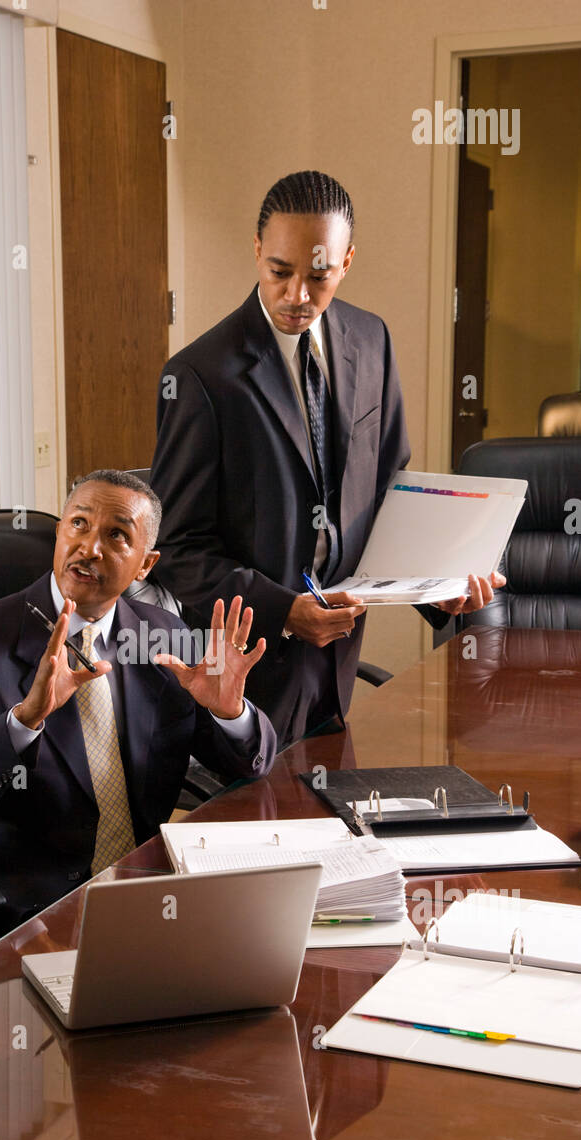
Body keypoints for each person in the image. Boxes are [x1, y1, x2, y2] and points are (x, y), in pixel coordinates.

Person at [150, 169, 504, 749]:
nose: (297, 296)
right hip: (246, 679)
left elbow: (389, 492)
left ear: (346, 262)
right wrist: (285, 610)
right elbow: (178, 551)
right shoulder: (199, 377)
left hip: (339, 669)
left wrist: (436, 583)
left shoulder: (372, 339)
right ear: (257, 249)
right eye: (279, 272)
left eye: (318, 276)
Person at [0, 469, 276, 945]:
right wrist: (22, 723)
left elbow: (248, 765)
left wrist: (229, 713)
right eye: (79, 525)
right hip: (14, 903)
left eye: (116, 535)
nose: (89, 548)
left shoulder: (162, 634)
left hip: (141, 894)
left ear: (145, 565)